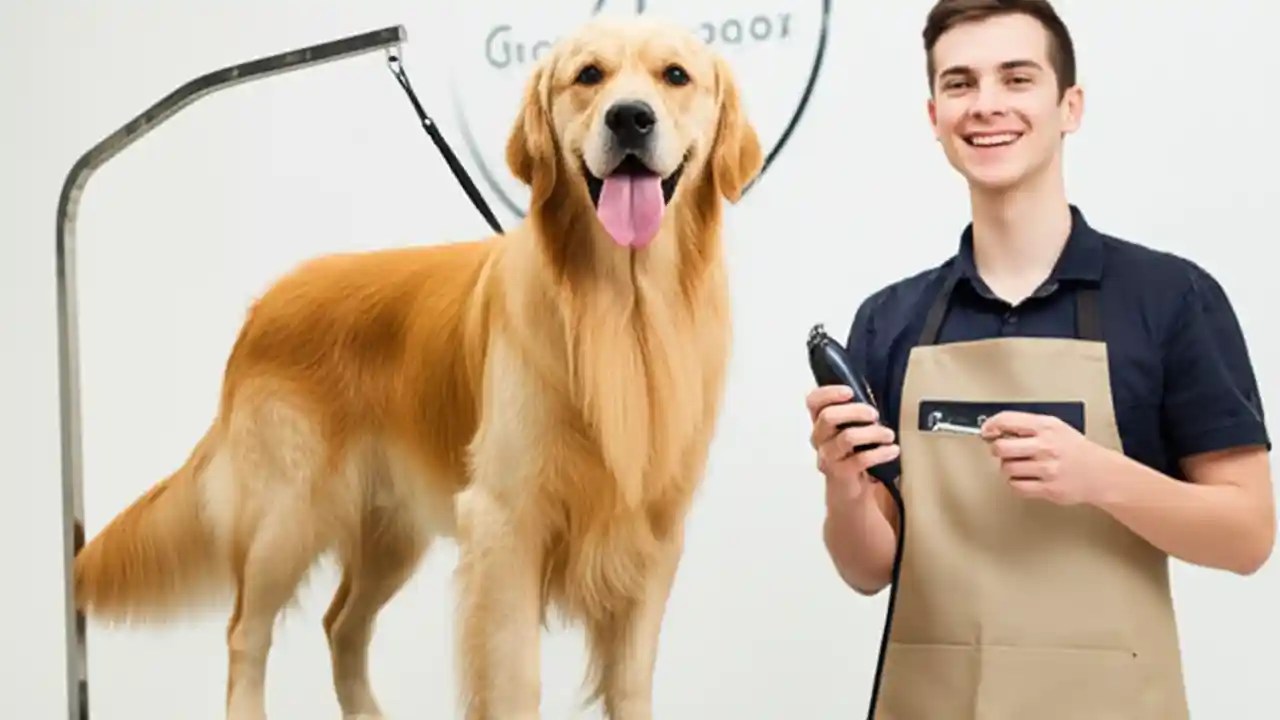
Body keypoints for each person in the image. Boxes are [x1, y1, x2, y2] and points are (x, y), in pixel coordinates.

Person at [806, 1, 1274, 717]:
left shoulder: (1172, 297)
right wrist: (843, 485)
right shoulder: (891, 319)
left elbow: (1247, 536)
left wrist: (1100, 476)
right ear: (935, 117)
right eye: (960, 84)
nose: (986, 105)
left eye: (1016, 78)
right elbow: (869, 568)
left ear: (1069, 106)